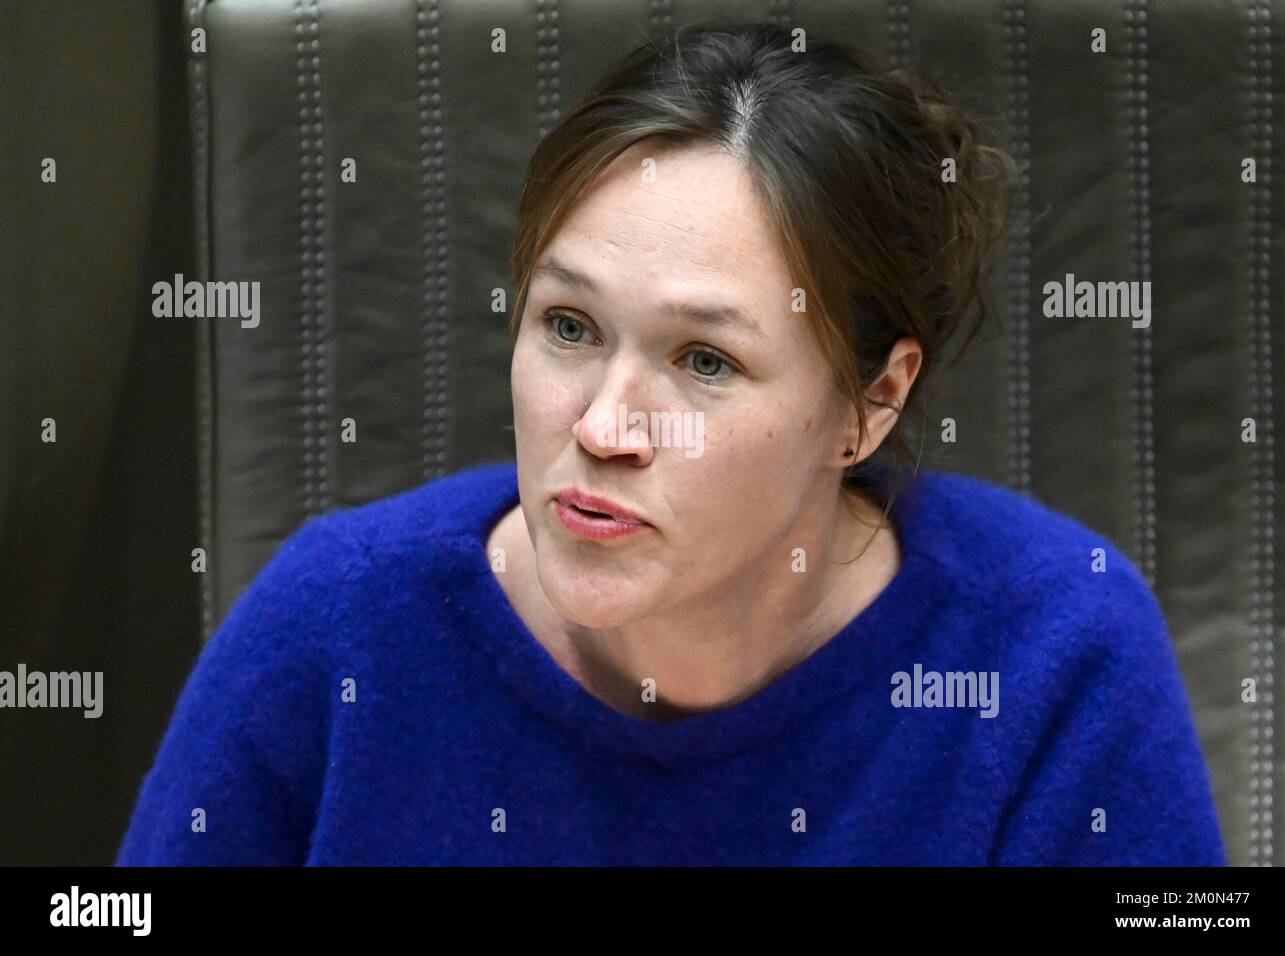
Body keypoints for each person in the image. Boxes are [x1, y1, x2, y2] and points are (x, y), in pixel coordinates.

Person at [116, 22, 1226, 866]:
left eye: (704, 361)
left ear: (870, 403)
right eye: (567, 326)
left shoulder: (1054, 648)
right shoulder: (336, 619)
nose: (600, 428)